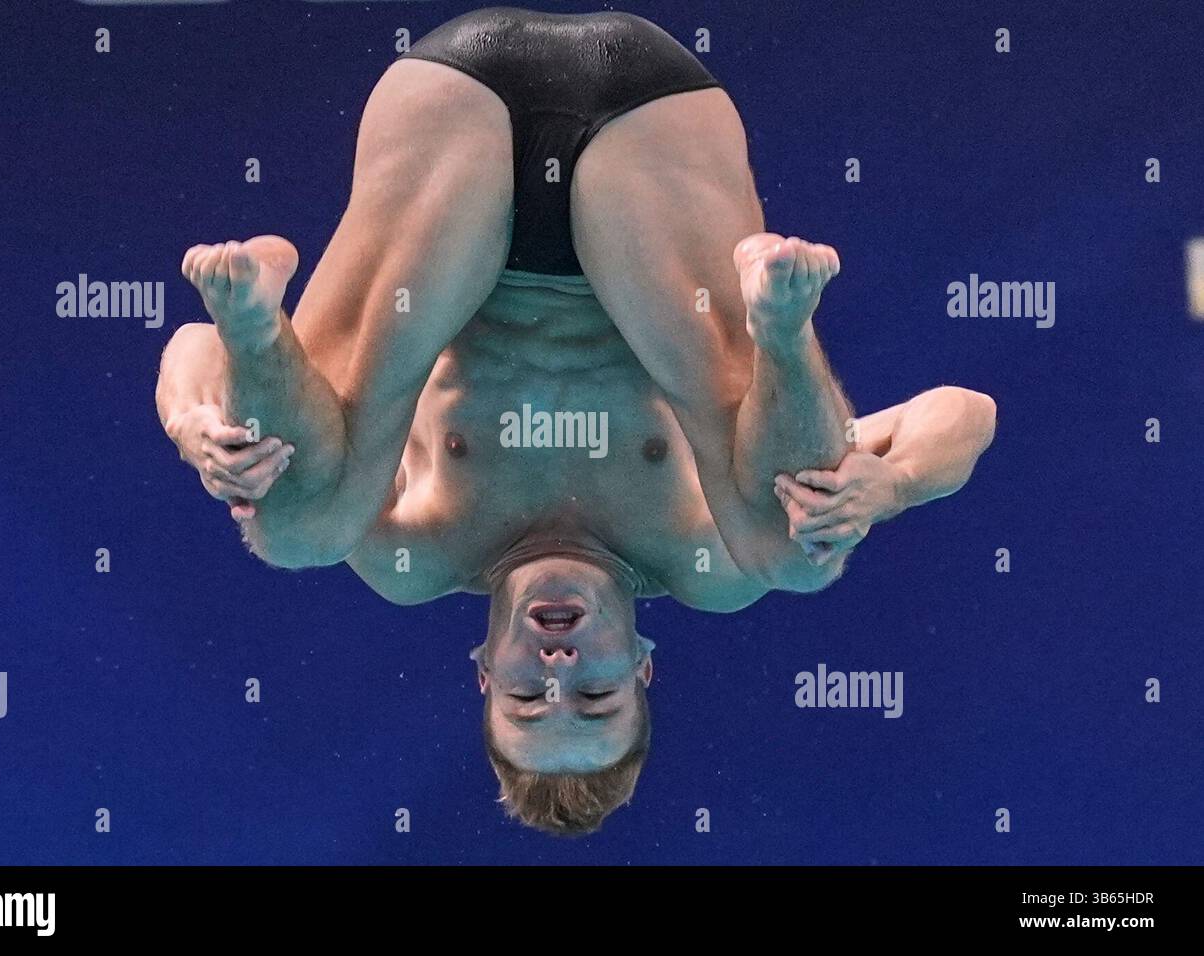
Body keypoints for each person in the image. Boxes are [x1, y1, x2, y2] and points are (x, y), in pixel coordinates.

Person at [155, 7, 996, 835]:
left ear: (485, 673)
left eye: (528, 698)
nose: (558, 669)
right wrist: (893, 484)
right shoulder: (701, 555)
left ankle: (256, 328)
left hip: (454, 139)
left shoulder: (417, 551)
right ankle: (779, 326)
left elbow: (188, 345)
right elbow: (967, 414)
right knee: (795, 554)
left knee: (298, 533)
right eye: (595, 695)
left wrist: (195, 421)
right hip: (651, 144)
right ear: (642, 667)